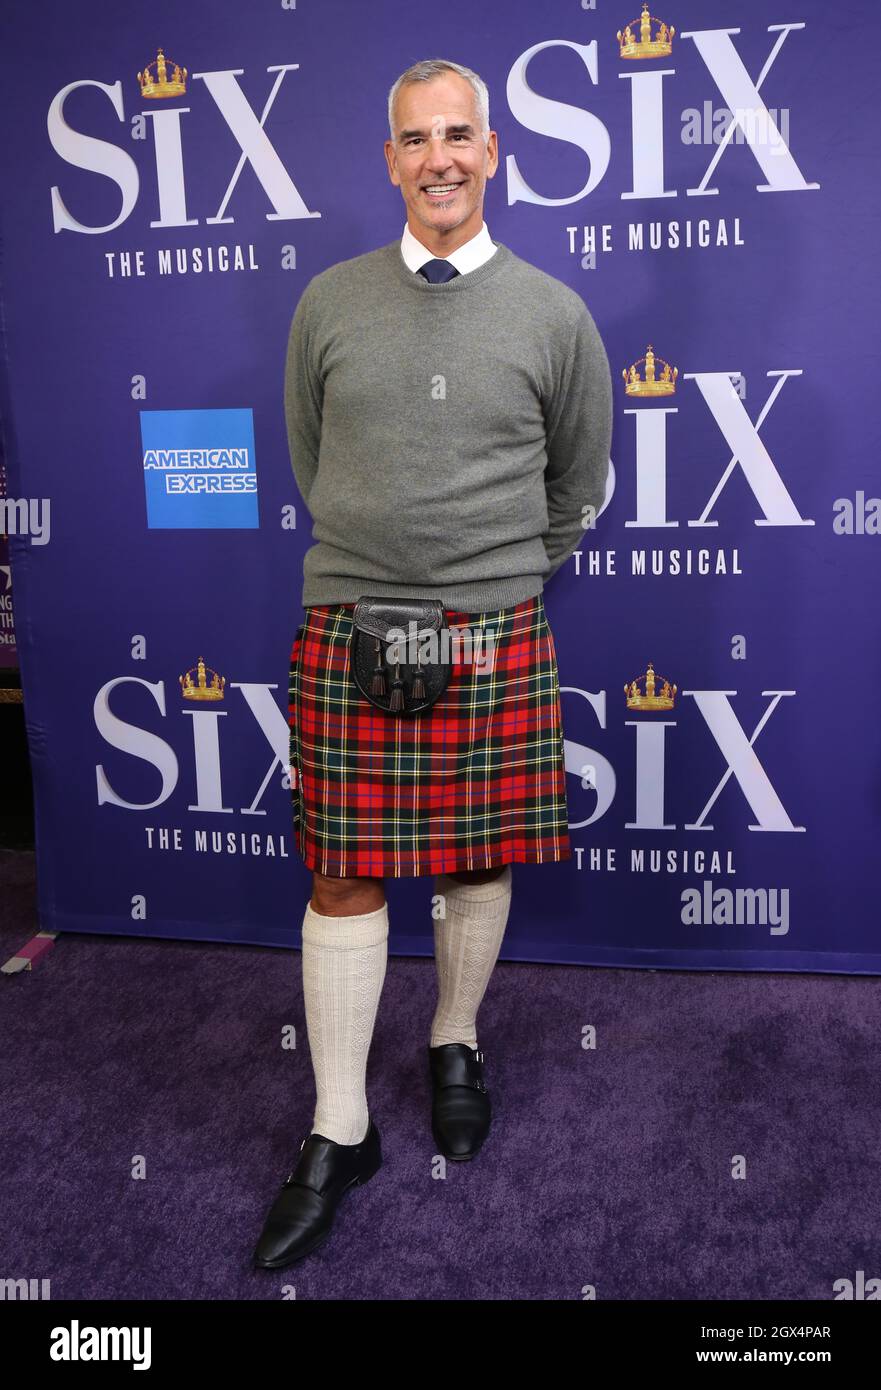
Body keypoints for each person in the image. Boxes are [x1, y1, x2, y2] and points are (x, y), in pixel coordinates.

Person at [253, 57, 612, 1269]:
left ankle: (452, 1036)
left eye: (459, 134)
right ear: (390, 159)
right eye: (416, 139)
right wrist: (381, 565)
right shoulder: (327, 302)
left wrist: (499, 579)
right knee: (341, 878)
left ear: (493, 150)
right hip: (352, 623)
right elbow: (312, 459)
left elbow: (577, 481)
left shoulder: (553, 311)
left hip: (492, 629)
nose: (439, 158)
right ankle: (337, 1125)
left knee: (476, 856)